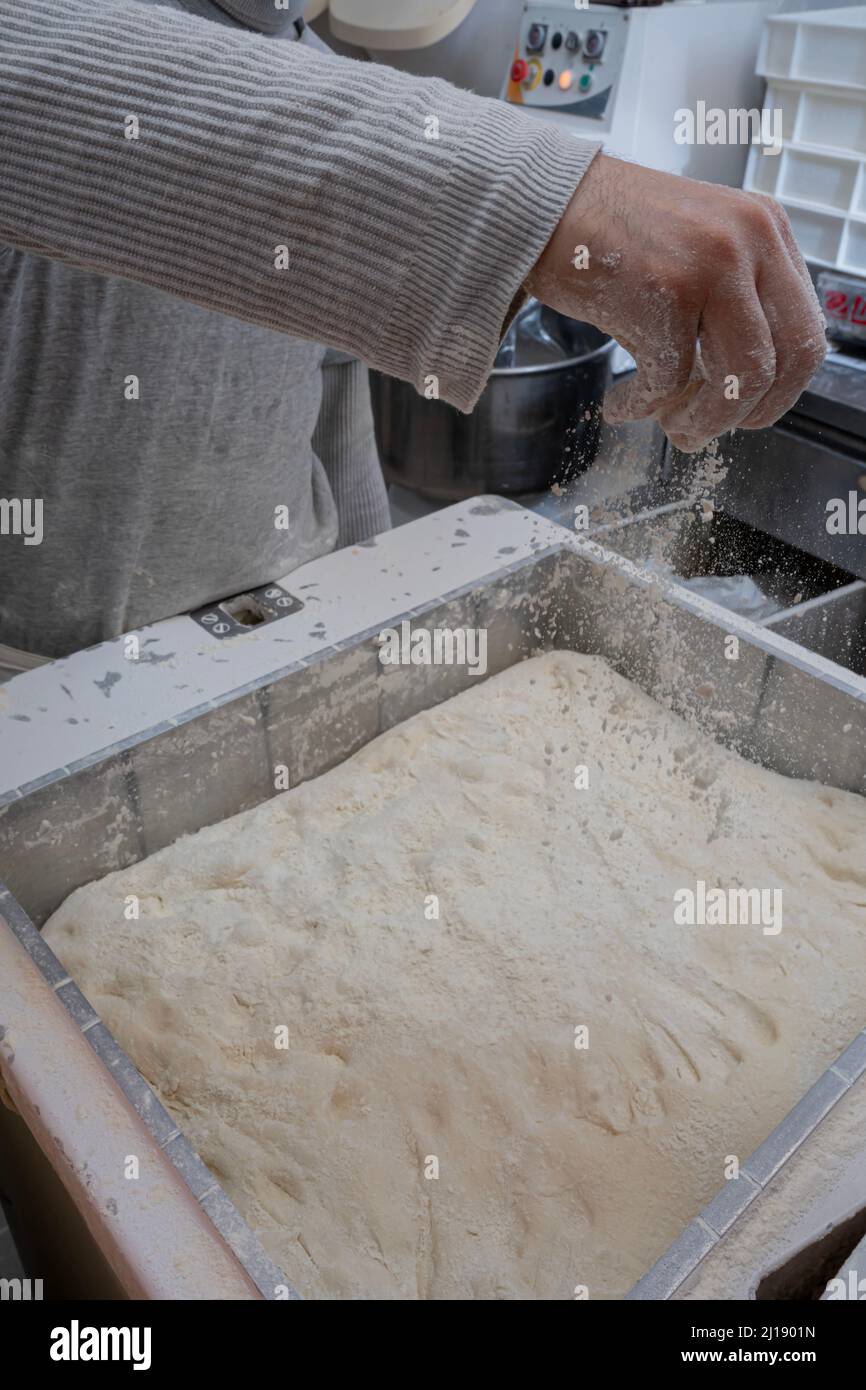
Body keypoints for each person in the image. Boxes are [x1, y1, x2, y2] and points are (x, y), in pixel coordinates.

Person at [0, 0, 826, 671]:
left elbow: (330, 394)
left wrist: (372, 597)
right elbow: (59, 74)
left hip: (269, 626)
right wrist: (549, 198)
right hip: (49, 673)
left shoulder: (319, 68)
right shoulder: (67, 40)